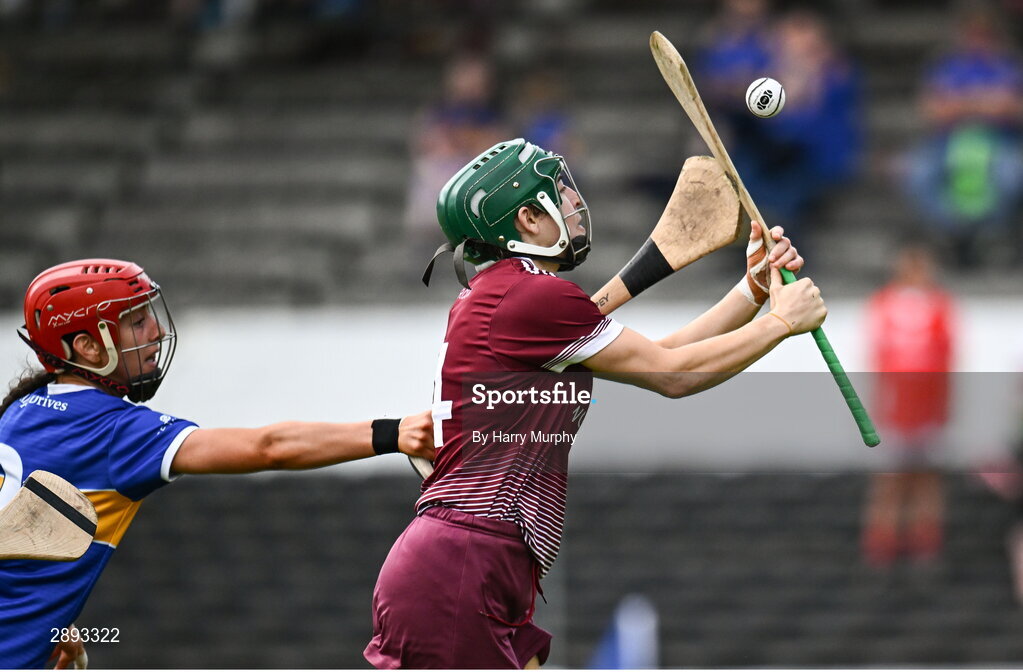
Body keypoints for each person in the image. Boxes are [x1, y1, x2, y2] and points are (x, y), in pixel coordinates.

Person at [364, 138, 827, 668]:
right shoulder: (532, 297)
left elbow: (657, 357)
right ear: (528, 219)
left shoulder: (504, 296)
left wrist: (751, 292)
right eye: (558, 195)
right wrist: (781, 323)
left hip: (476, 563)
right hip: (465, 564)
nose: (573, 204)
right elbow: (672, 377)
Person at [0, 258, 434, 669]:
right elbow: (269, 447)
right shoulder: (115, 432)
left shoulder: (19, 411)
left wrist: (46, 618)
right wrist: (394, 433)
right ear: (87, 347)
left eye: (149, 313)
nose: (155, 331)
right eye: (135, 322)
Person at [902, 2, 1023, 268]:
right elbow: (932, 109)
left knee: (1012, 174)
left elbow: (1014, 108)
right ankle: (952, 234)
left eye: (984, 33)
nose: (977, 40)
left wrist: (962, 103)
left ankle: (990, 235)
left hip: (999, 144)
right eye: (972, 33)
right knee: (917, 173)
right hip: (948, 144)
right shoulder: (946, 66)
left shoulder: (1010, 66)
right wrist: (986, 103)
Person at [860, 245, 958, 569]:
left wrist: (944, 409)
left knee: (925, 479)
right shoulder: (885, 305)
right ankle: (882, 544)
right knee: (891, 481)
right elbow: (878, 361)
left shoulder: (940, 307)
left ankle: (925, 543)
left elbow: (947, 362)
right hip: (895, 409)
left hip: (927, 408)